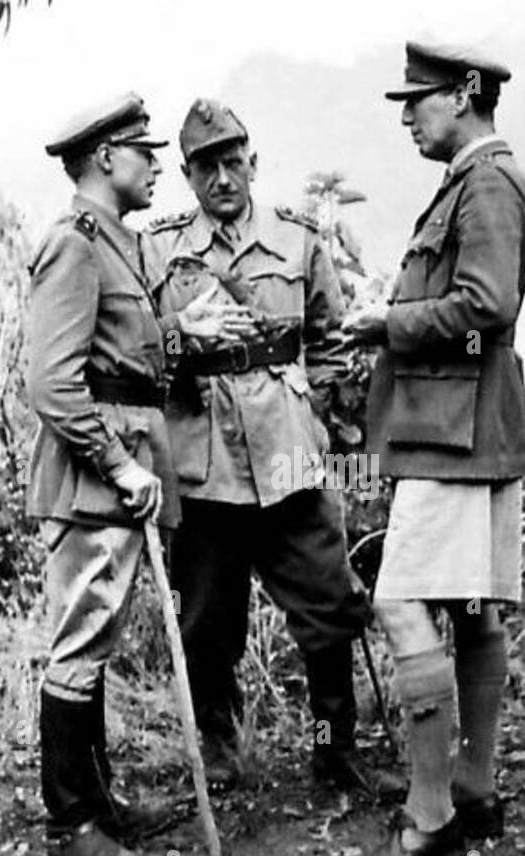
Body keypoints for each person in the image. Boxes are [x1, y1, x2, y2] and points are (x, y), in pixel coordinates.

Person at [145, 99, 401, 799]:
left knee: (327, 611)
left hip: (289, 459)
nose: (223, 178)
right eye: (207, 167)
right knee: (205, 625)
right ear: (186, 174)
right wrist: (178, 342)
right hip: (204, 466)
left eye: (234, 162)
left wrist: (314, 415)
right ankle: (223, 758)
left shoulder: (298, 240)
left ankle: (333, 752)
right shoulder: (158, 250)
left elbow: (328, 337)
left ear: (252, 163)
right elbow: (140, 349)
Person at [26, 93, 250, 856]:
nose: (158, 165)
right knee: (79, 642)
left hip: (125, 469)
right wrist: (119, 466)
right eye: (144, 152)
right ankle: (72, 823)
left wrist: (183, 336)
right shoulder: (75, 246)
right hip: (96, 479)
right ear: (105, 159)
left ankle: (99, 803)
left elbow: (128, 351)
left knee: (97, 640)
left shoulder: (117, 243)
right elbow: (52, 383)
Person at [341, 42, 525, 856]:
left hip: (452, 433)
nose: (406, 114)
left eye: (418, 98)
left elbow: (486, 306)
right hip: (471, 426)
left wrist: (388, 324)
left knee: (400, 603)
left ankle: (430, 818)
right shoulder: (480, 177)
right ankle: (475, 786)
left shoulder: (486, 182)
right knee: (475, 609)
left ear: (465, 93)